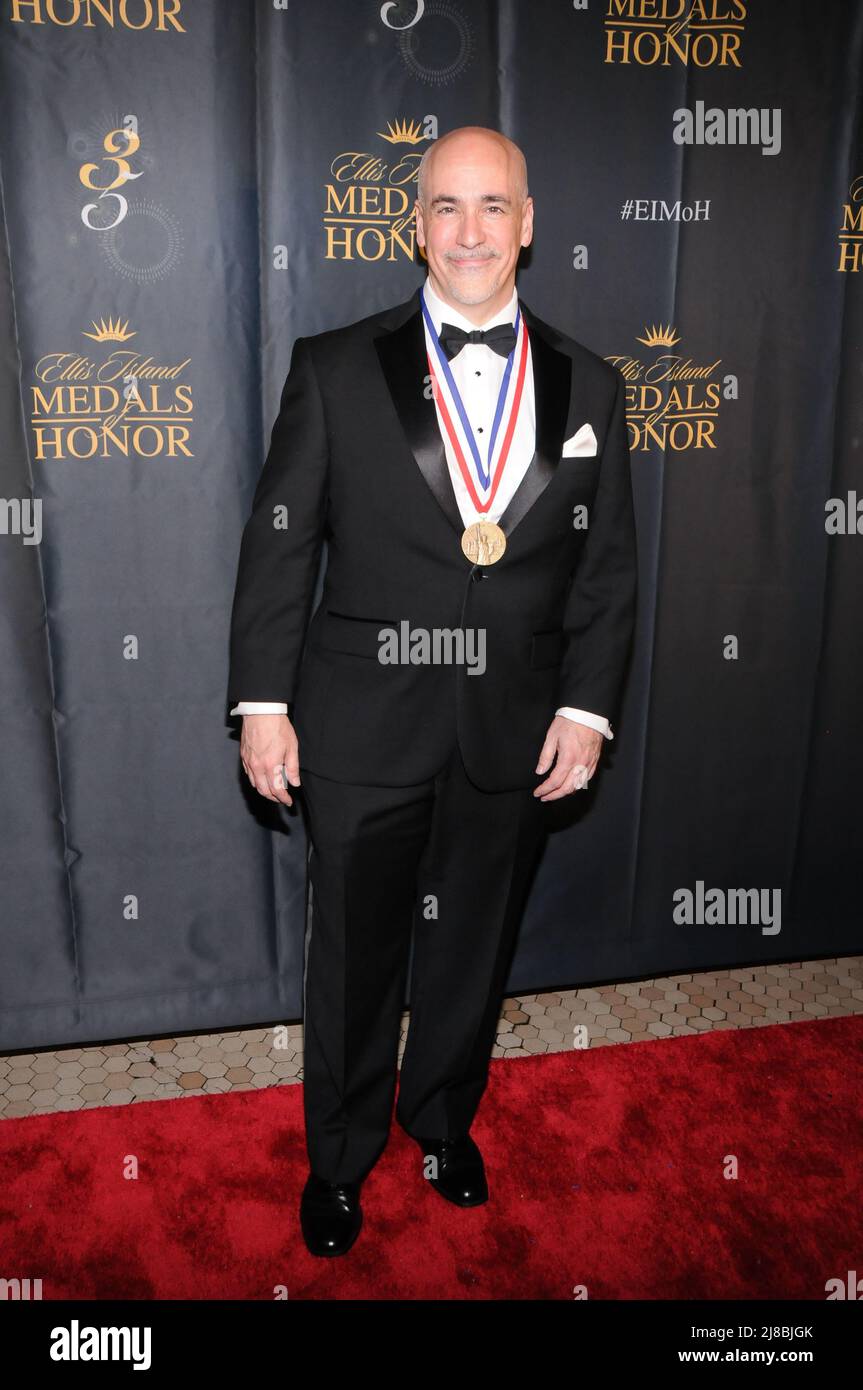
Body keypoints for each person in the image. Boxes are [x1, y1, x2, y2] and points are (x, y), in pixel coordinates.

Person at [227, 126, 637, 1257]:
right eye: (446, 207)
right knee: (354, 958)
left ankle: (444, 1121)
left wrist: (585, 708)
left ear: (528, 221)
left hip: (511, 727)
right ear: (415, 225)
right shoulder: (332, 365)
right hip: (360, 725)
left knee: (474, 946)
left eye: (492, 206)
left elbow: (603, 573)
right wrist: (262, 699)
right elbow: (277, 549)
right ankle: (341, 1158)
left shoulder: (590, 384)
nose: (469, 231)